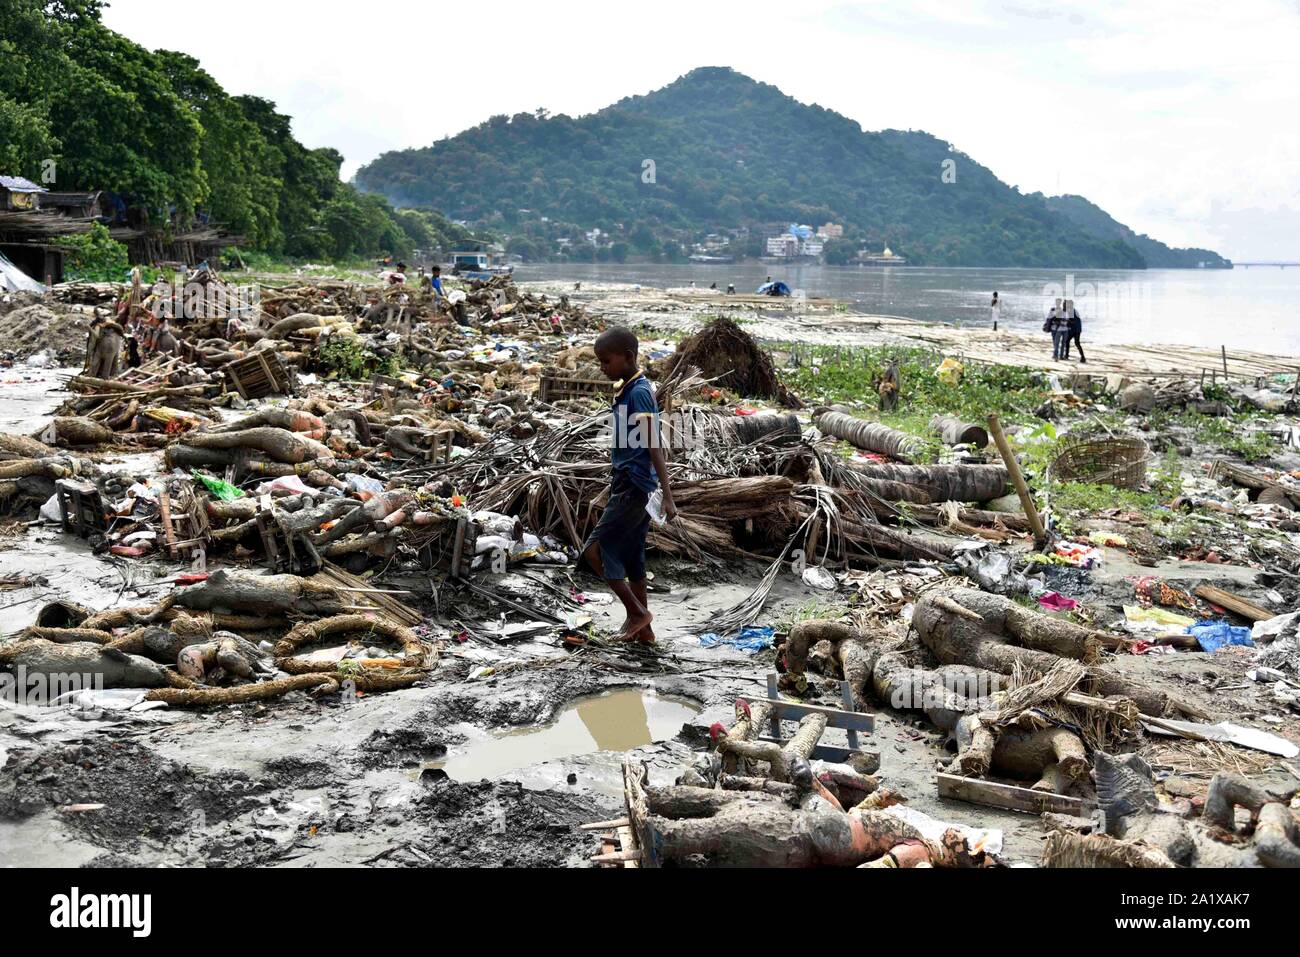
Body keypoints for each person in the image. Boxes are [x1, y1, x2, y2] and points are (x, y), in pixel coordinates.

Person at [584, 327, 678, 644]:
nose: (602, 367)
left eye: (605, 361)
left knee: (594, 550)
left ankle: (637, 614)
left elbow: (654, 445)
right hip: (632, 483)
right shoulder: (629, 389)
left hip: (633, 486)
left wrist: (667, 495)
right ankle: (646, 633)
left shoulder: (638, 392)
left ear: (627, 356)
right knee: (634, 556)